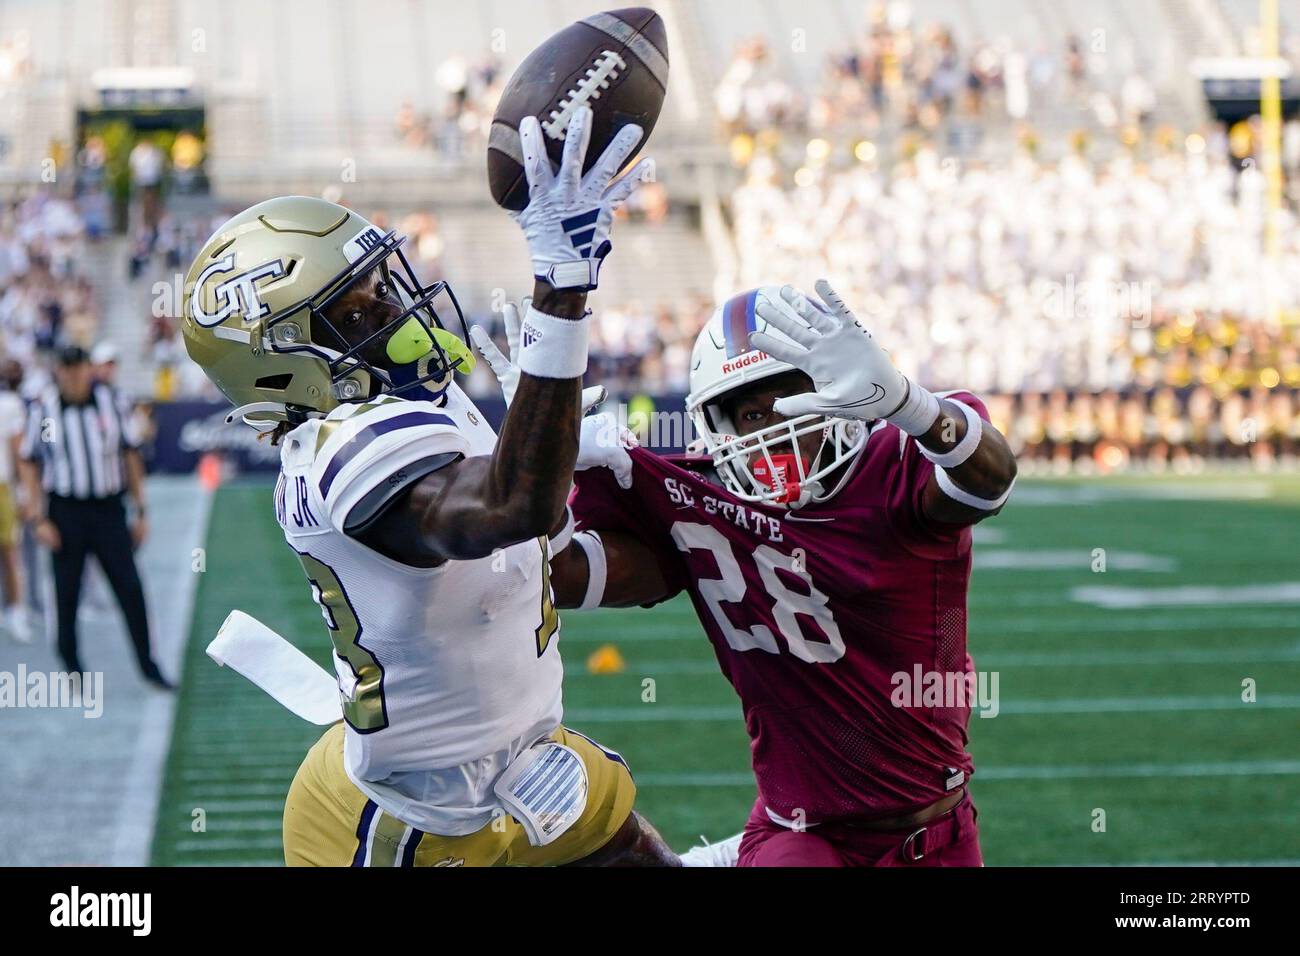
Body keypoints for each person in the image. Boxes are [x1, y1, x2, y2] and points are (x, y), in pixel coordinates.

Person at [182, 108, 687, 867]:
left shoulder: (420, 409)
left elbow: (554, 566)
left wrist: (713, 526)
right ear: (281, 362)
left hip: (529, 764)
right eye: (354, 311)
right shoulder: (336, 447)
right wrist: (562, 292)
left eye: (382, 285)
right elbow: (512, 508)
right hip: (407, 823)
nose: (393, 308)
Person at [536, 283, 1019, 867]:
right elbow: (561, 577)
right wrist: (545, 467)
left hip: (933, 830)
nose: (776, 428)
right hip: (799, 833)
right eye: (753, 414)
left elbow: (987, 479)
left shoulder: (894, 464)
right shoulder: (702, 505)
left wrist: (908, 404)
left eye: (796, 401)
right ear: (721, 426)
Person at [16, 345, 167, 686]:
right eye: (66, 368)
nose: (73, 375)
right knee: (66, 592)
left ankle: (148, 664)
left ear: (88, 369)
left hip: (108, 509)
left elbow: (130, 455)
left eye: (78, 367)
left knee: (129, 587)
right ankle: (72, 666)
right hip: (65, 510)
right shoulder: (44, 409)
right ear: (58, 371)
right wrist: (38, 517)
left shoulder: (114, 403)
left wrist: (141, 510)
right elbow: (28, 458)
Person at [0, 358, 29, 642]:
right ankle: (16, 610)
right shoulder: (12, 404)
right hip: (4, 486)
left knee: (11, 552)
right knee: (11, 553)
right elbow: (17, 451)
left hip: (4, 486)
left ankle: (17, 611)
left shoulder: (10, 405)